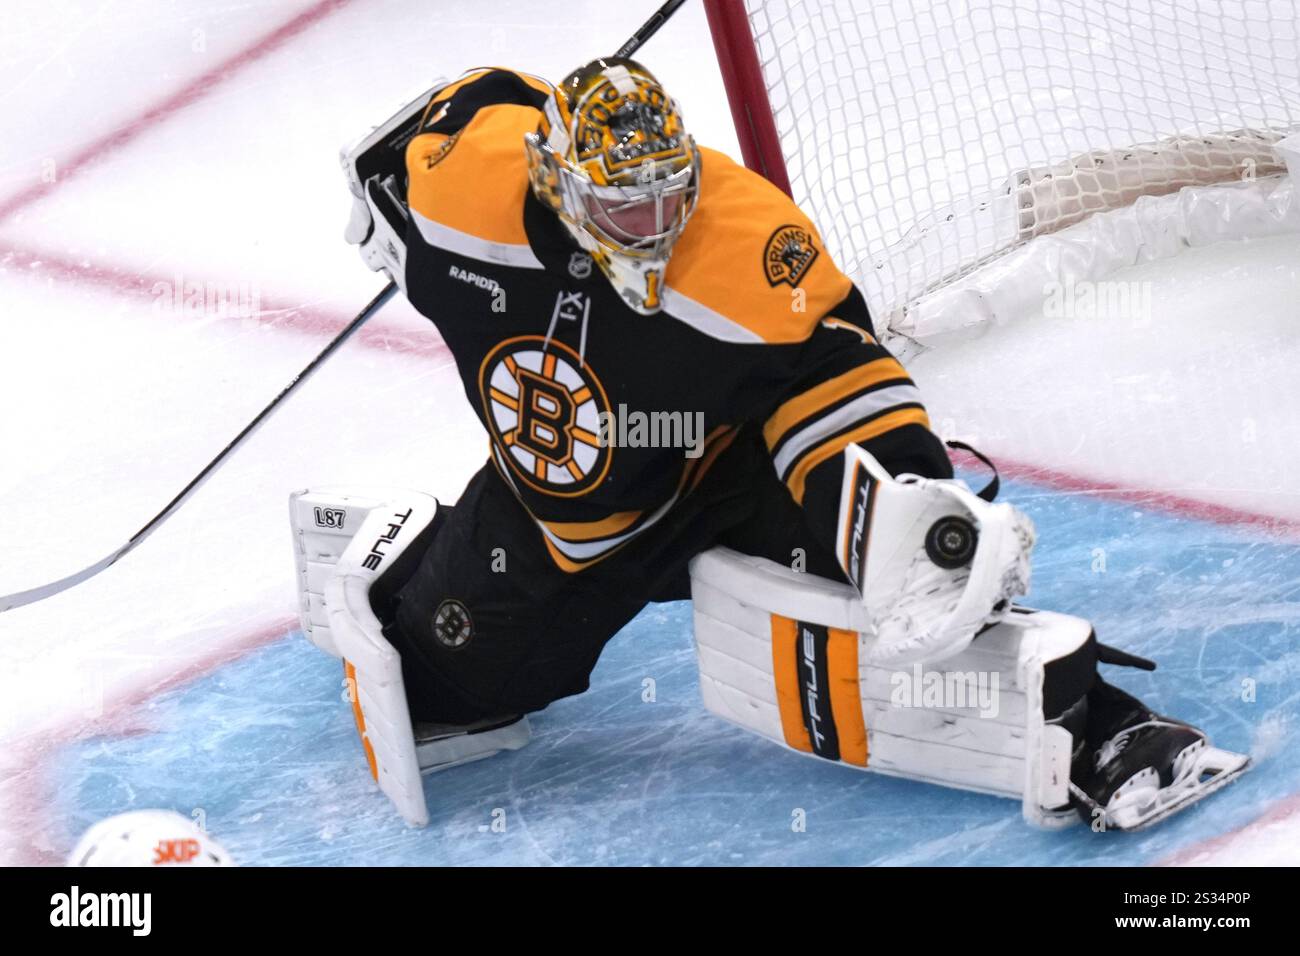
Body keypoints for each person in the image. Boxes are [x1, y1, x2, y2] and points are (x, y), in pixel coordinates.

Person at [292, 59, 1245, 831]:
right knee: (455, 688)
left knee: (901, 588)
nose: (655, 228)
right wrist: (375, 185)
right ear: (557, 179)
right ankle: (416, 552)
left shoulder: (745, 245)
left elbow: (841, 383)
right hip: (569, 522)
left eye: (670, 197)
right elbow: (471, 105)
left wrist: (907, 506)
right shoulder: (461, 193)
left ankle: (1104, 731)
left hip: (726, 462)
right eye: (626, 210)